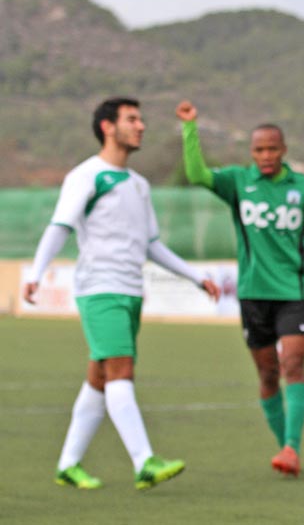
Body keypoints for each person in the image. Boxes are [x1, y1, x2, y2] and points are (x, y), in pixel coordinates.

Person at [23, 97, 220, 491]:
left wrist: (196, 277)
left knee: (99, 377)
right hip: (100, 288)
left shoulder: (139, 185)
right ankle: (144, 461)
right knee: (120, 370)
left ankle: (68, 464)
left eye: (141, 119)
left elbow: (152, 245)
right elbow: (60, 224)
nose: (141, 125)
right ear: (108, 127)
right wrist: (36, 272)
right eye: (132, 119)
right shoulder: (87, 175)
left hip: (130, 291)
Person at [175, 100, 304, 477]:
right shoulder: (239, 182)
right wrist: (190, 128)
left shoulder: (303, 188)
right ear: (251, 153)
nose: (265, 156)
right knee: (268, 374)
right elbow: (197, 175)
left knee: (294, 365)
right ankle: (282, 444)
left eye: (272, 149)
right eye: (258, 150)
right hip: (253, 295)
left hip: (293, 295)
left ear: (283, 150)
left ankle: (292, 448)